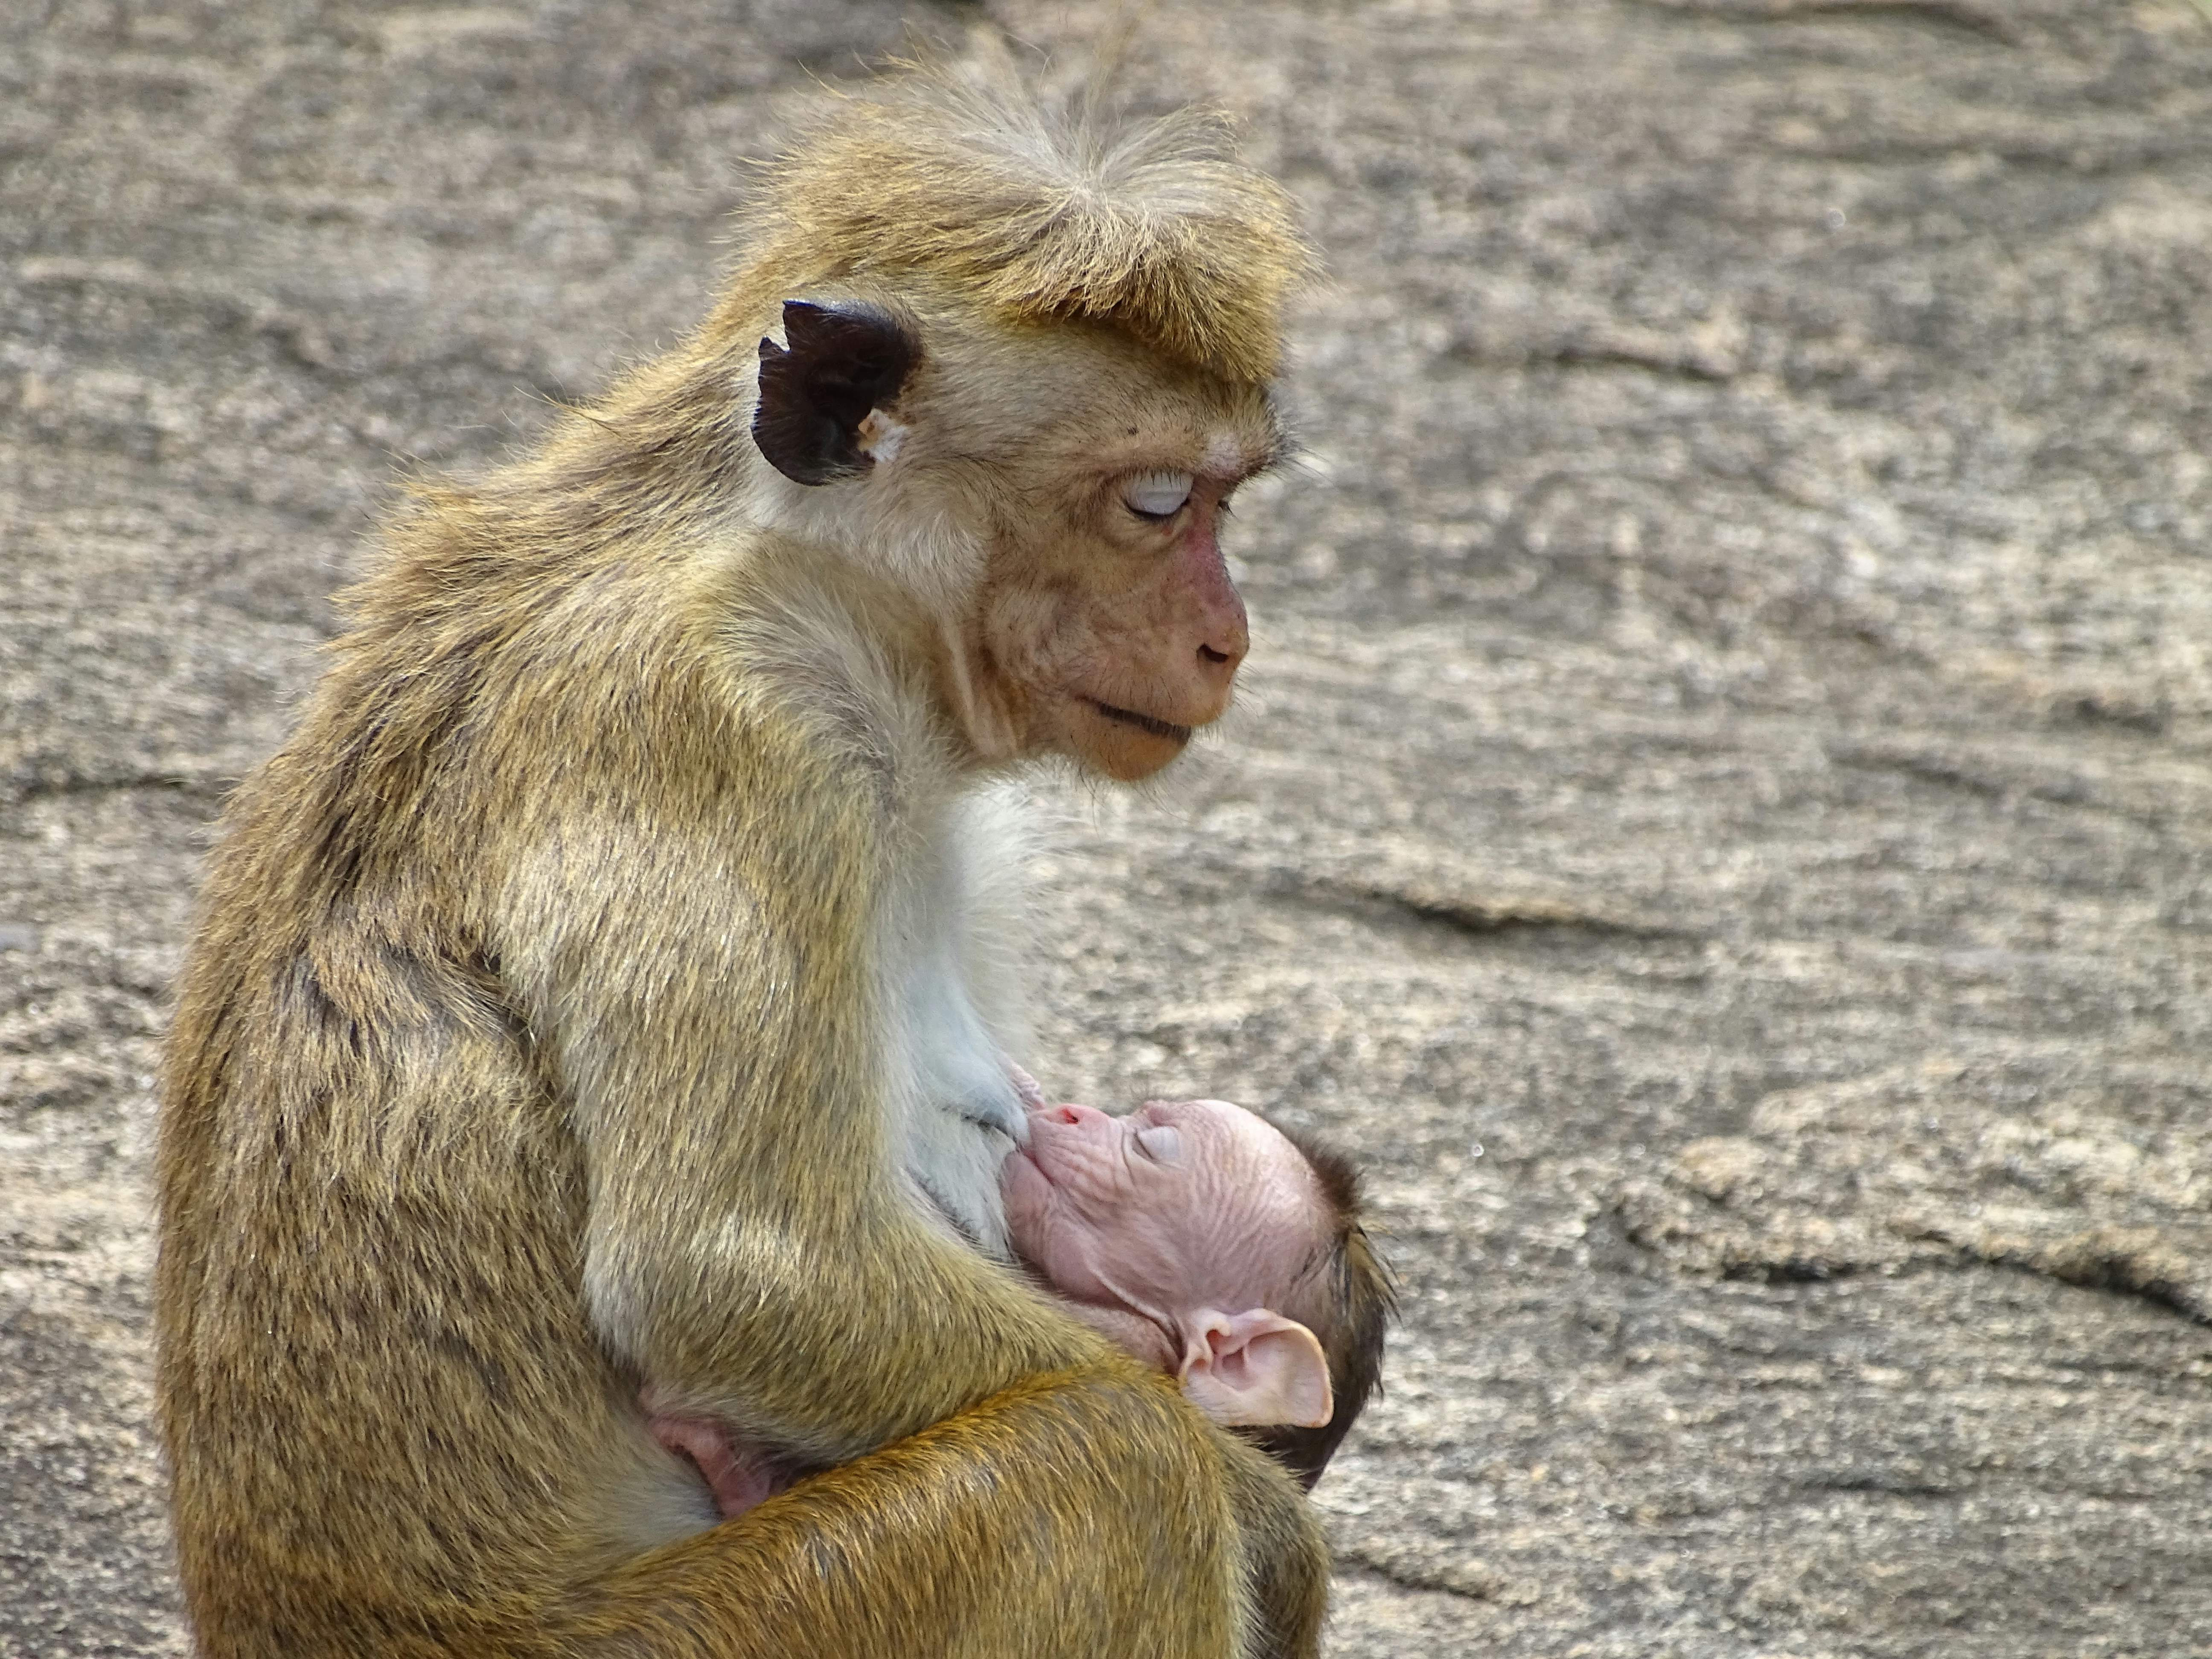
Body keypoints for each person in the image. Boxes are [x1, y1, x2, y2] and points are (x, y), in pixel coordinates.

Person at [649, 1096, 1394, 1516]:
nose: (1075, 1114)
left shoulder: (1102, 1491)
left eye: (1148, 1148)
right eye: (1119, 1113)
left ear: (1232, 1360)